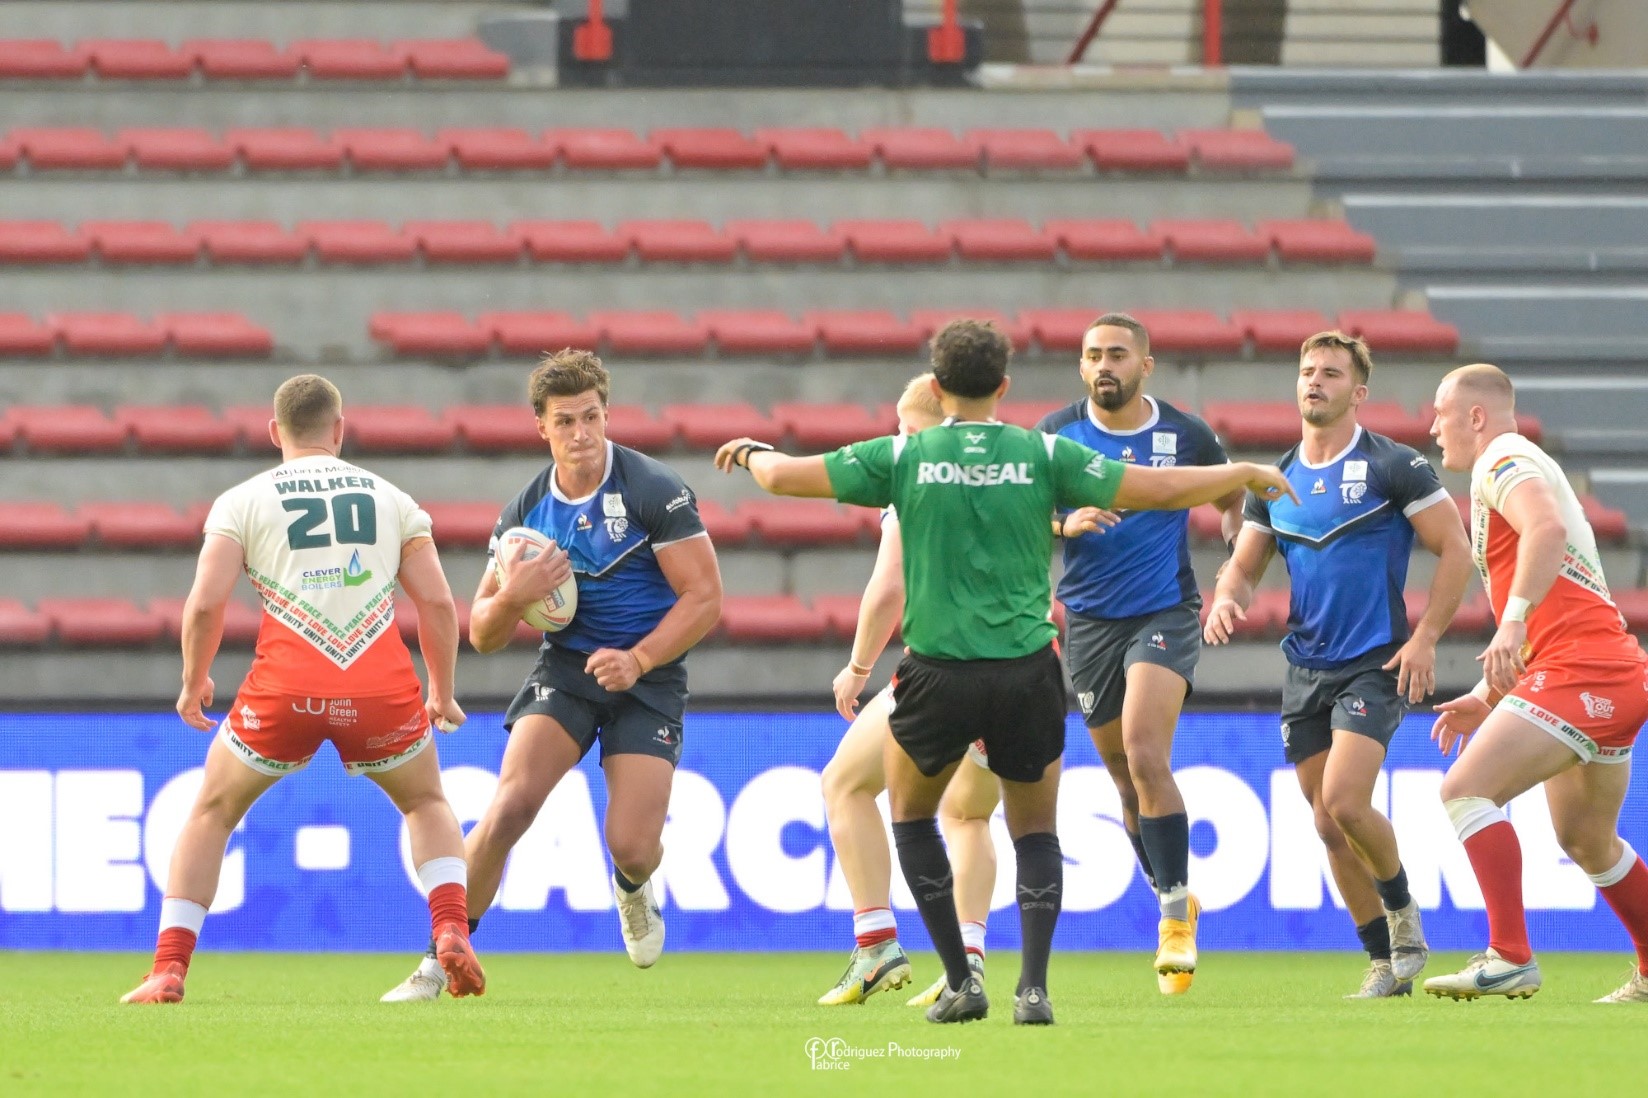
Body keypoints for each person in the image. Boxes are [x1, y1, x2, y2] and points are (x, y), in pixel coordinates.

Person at [716, 318, 1296, 1025]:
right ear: (1003, 387)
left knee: (913, 819)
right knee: (1034, 835)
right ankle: (1034, 990)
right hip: (1027, 672)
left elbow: (782, 476)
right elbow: (1159, 488)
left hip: (938, 675)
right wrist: (1241, 472)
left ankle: (961, 980)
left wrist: (748, 453)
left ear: (935, 386)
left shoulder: (904, 454)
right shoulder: (1043, 451)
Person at [122, 375, 482, 1004]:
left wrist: (193, 681)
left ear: (274, 432)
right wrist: (442, 692)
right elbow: (439, 603)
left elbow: (206, 604)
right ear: (339, 431)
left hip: (284, 688)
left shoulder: (241, 500)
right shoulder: (392, 498)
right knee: (426, 803)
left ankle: (169, 969)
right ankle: (451, 928)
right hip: (378, 686)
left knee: (212, 812)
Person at [382, 349, 723, 1001]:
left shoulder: (654, 489)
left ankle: (632, 888)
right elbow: (482, 631)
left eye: (591, 417)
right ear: (541, 425)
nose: (581, 434)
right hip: (566, 671)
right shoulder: (524, 515)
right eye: (565, 421)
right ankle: (436, 959)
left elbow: (705, 598)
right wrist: (516, 595)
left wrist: (641, 659)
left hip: (647, 679)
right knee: (508, 807)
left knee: (631, 845)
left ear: (606, 414)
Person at [1205, 331, 1472, 999]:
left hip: (1374, 662)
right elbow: (1243, 567)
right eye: (1306, 371)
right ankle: (1383, 962)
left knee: (1346, 801)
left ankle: (1404, 913)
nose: (1314, 381)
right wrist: (1226, 600)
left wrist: (1427, 637)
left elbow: (1457, 548)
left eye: (1330, 372)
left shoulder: (1394, 466)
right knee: (1325, 822)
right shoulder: (1275, 481)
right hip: (1306, 667)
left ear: (1359, 392)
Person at [1422, 364, 1648, 1003]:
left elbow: (1546, 529)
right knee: (1587, 840)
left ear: (1475, 416)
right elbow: (1556, 584)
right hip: (1606, 669)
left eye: (1441, 412)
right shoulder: (1512, 463)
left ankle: (1510, 956)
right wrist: (1487, 695)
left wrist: (1511, 619)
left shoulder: (1501, 457)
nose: (1432, 425)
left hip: (1584, 669)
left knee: (1466, 791)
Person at [1036, 312, 1245, 996]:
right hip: (1089, 621)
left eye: (1118, 354)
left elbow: (1229, 489)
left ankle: (1172, 920)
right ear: (1080, 364)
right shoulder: (1056, 434)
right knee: (1126, 782)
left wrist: (1233, 546)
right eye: (1093, 353)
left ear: (1144, 365)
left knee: (1146, 752)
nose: (1105, 365)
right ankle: (1177, 893)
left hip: (1164, 612)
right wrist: (1067, 521)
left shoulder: (1183, 432)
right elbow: (1022, 508)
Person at [816, 373, 1004, 1008]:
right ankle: (969, 961)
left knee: (843, 785)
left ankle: (876, 944)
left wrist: (859, 666)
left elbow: (890, 582)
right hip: (1023, 668)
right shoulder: (1016, 469)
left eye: (911, 430)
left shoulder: (918, 481)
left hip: (943, 666)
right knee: (968, 814)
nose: (903, 441)